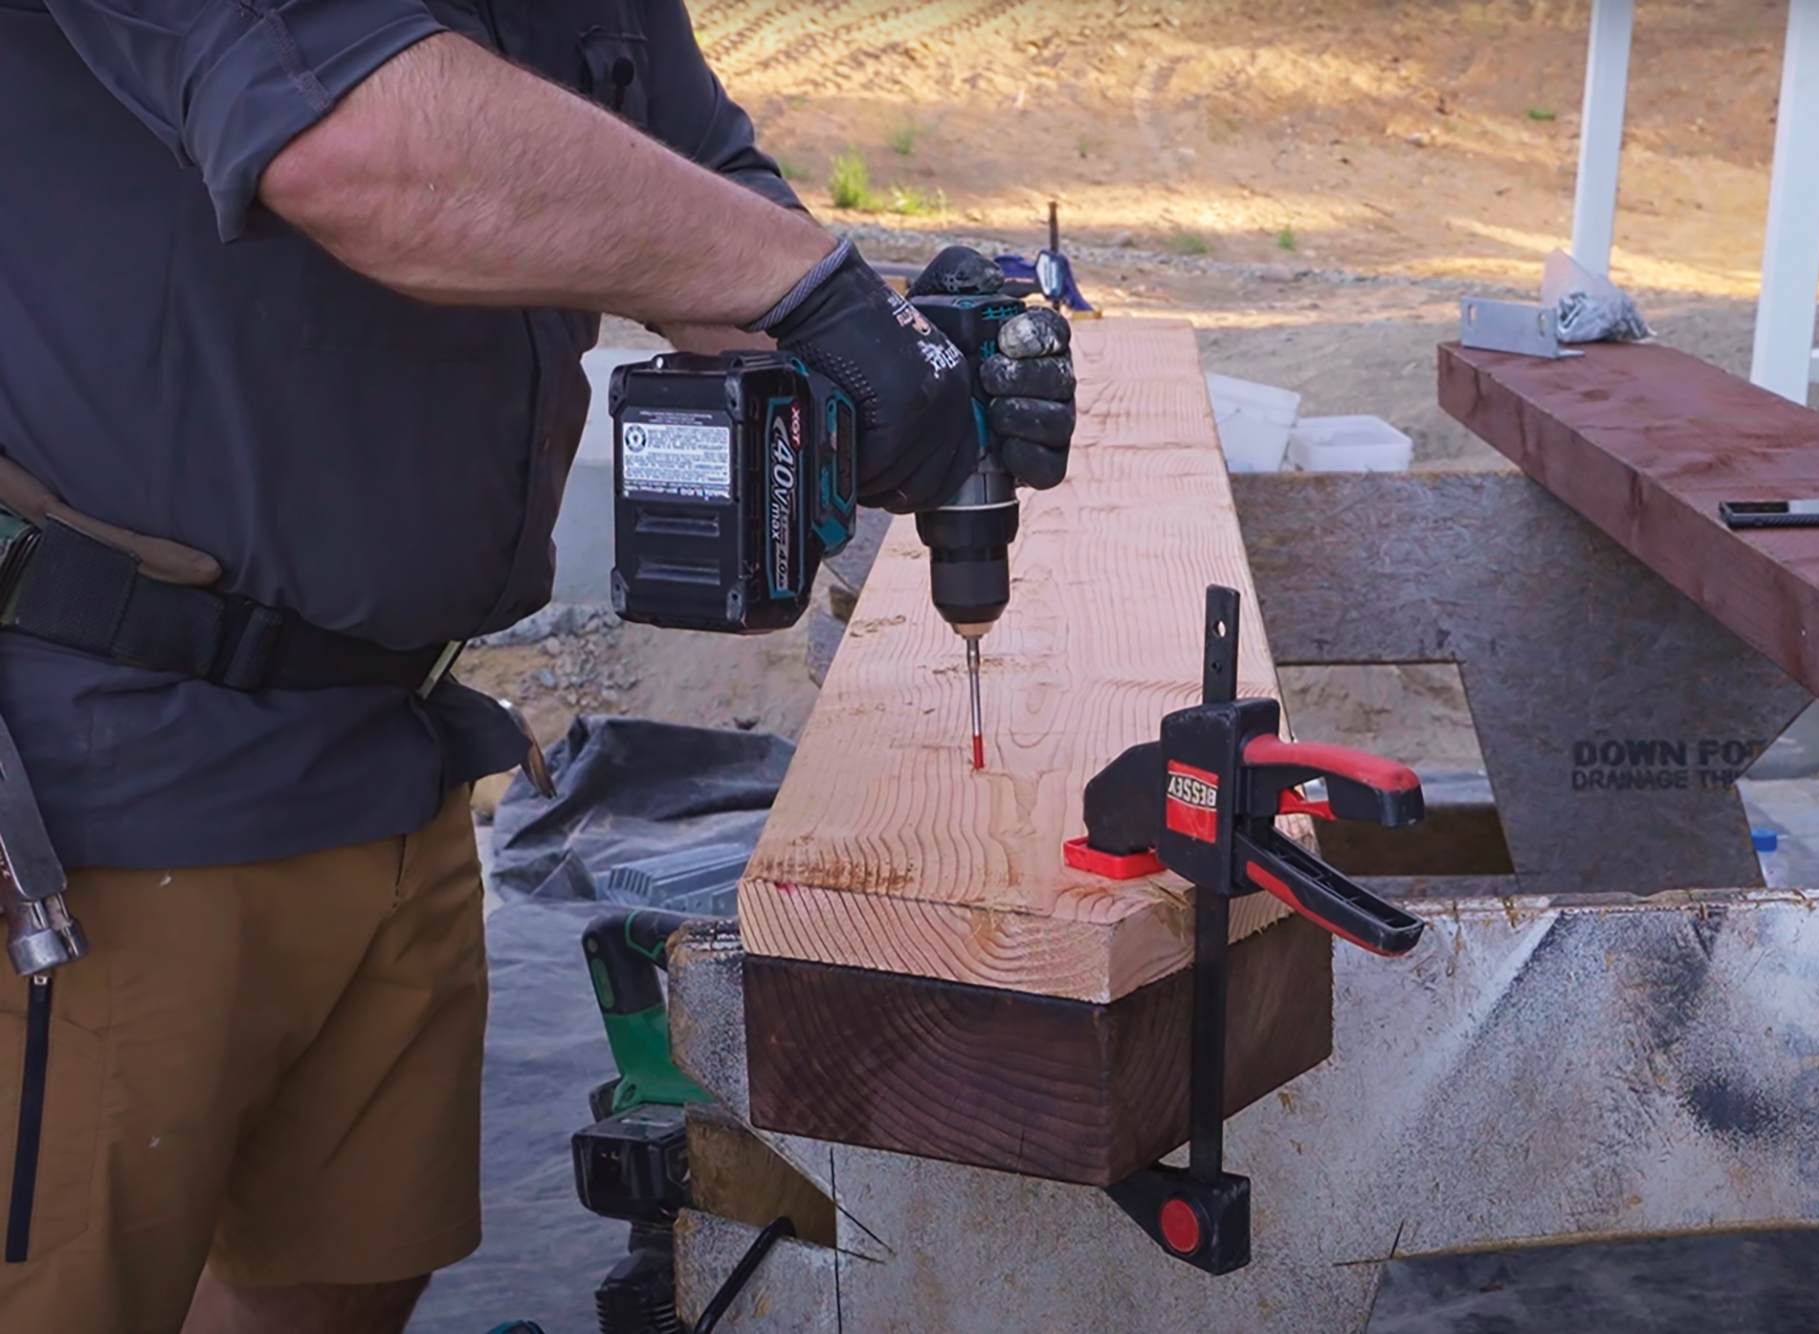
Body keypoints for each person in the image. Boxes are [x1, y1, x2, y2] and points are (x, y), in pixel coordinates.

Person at [0, 3, 1075, 1331]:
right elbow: (357, 142)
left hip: (389, 750)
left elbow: (705, 201)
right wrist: (810, 290)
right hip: (98, 787)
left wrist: (895, 341)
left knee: (333, 1285)